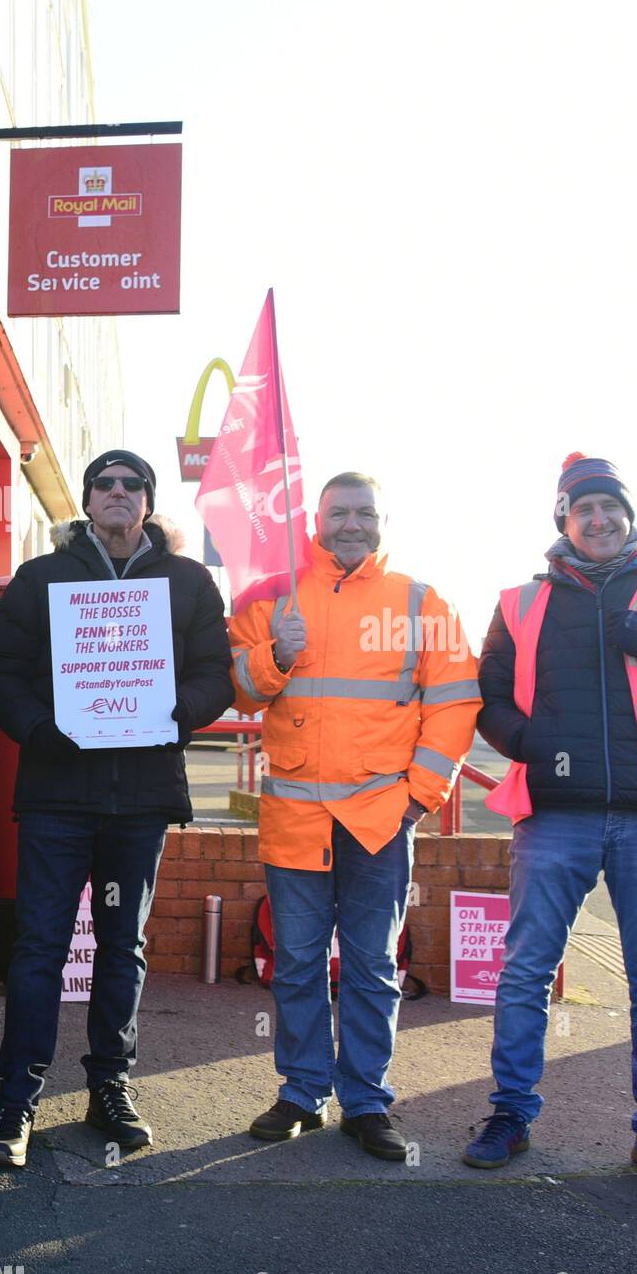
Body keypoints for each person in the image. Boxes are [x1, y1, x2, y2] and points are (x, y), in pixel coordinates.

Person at [462, 454, 637, 1195]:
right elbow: (487, 696)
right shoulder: (521, 602)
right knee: (526, 971)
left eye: (611, 507)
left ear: (629, 515)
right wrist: (527, 743)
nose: (600, 519)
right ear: (563, 519)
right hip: (555, 817)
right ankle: (510, 1116)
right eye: (583, 508)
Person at [0, 451, 234, 1167]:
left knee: (123, 947)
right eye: (105, 484)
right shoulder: (41, 578)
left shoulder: (188, 583)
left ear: (149, 502)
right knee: (39, 947)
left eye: (132, 485)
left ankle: (110, 1089)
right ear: (88, 501)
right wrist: (39, 728)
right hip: (59, 794)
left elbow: (216, 673)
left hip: (140, 798)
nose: (118, 494)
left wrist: (176, 710)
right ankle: (17, 1100)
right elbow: (3, 672)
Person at [229, 472, 480, 1160]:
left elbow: (456, 703)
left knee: (371, 966)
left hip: (379, 820)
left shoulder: (421, 602)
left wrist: (417, 796)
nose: (351, 524)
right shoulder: (276, 597)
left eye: (364, 513)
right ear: (316, 519)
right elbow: (237, 690)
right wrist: (274, 655)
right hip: (296, 821)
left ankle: (367, 1102)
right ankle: (303, 1094)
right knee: (299, 962)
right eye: (338, 512)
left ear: (382, 521)